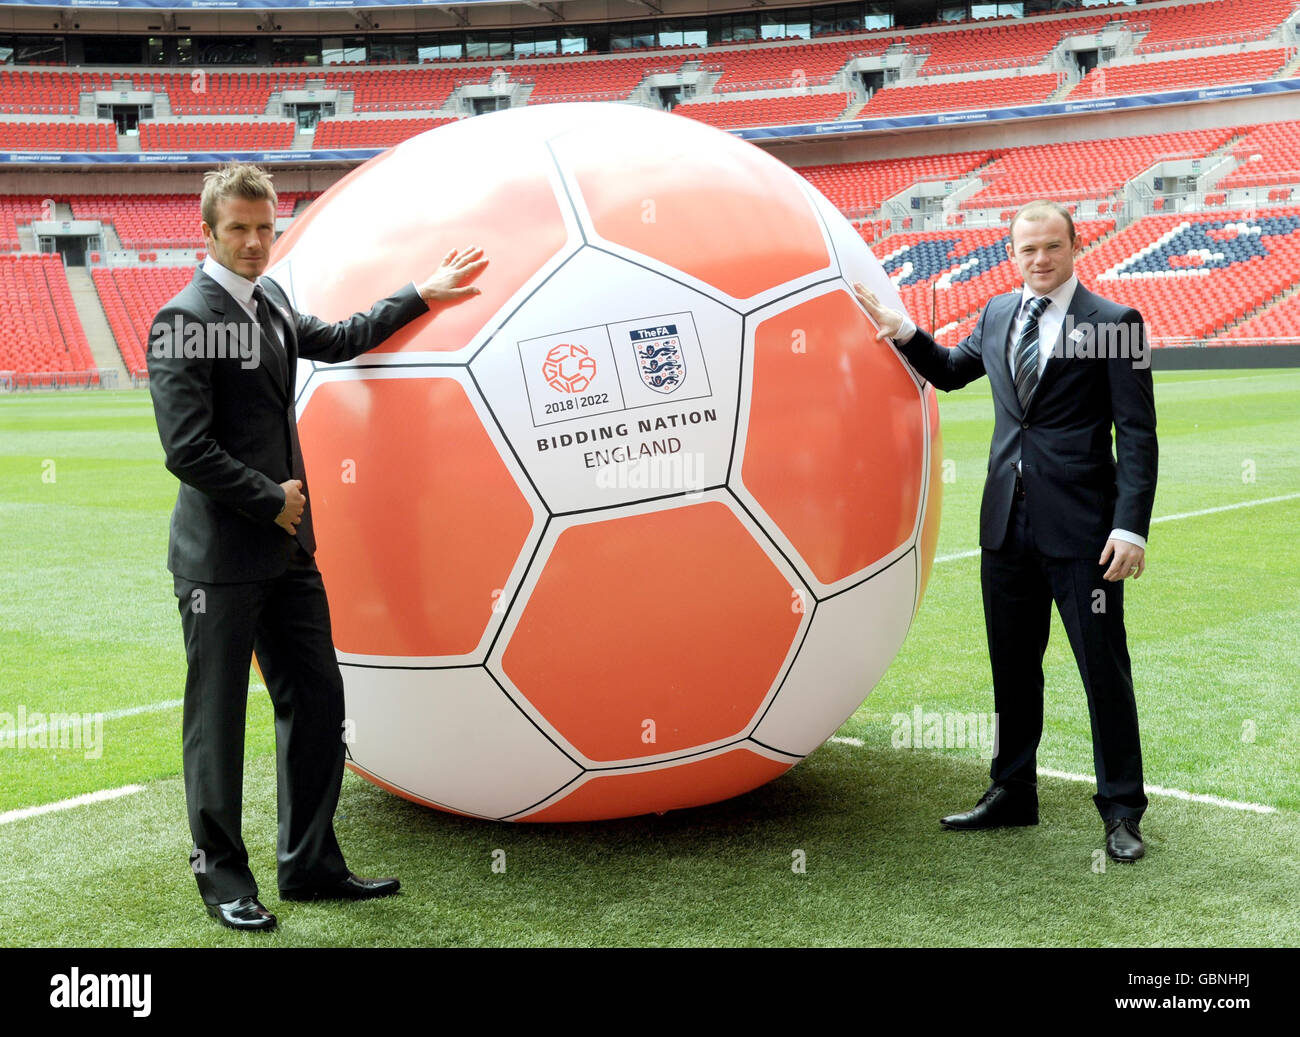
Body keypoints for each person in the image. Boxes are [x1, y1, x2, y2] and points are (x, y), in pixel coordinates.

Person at [148, 163, 489, 930]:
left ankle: (308, 863)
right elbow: (186, 447)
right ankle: (224, 880)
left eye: (265, 227)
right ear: (208, 231)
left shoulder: (268, 298)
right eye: (237, 228)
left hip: (289, 553)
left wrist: (420, 294)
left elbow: (334, 340)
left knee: (320, 700)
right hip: (220, 566)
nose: (254, 242)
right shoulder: (183, 317)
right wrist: (271, 498)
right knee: (217, 722)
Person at [853, 200, 1157, 863]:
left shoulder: (1113, 325)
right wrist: (902, 330)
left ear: (1076, 246)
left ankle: (1122, 810)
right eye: (1028, 250)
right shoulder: (996, 313)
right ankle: (1012, 790)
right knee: (1013, 671)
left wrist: (1130, 526)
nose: (1040, 259)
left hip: (1086, 535)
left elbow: (1136, 433)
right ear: (1011, 254)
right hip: (1005, 527)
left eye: (1052, 246)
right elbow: (952, 371)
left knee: (1103, 671)